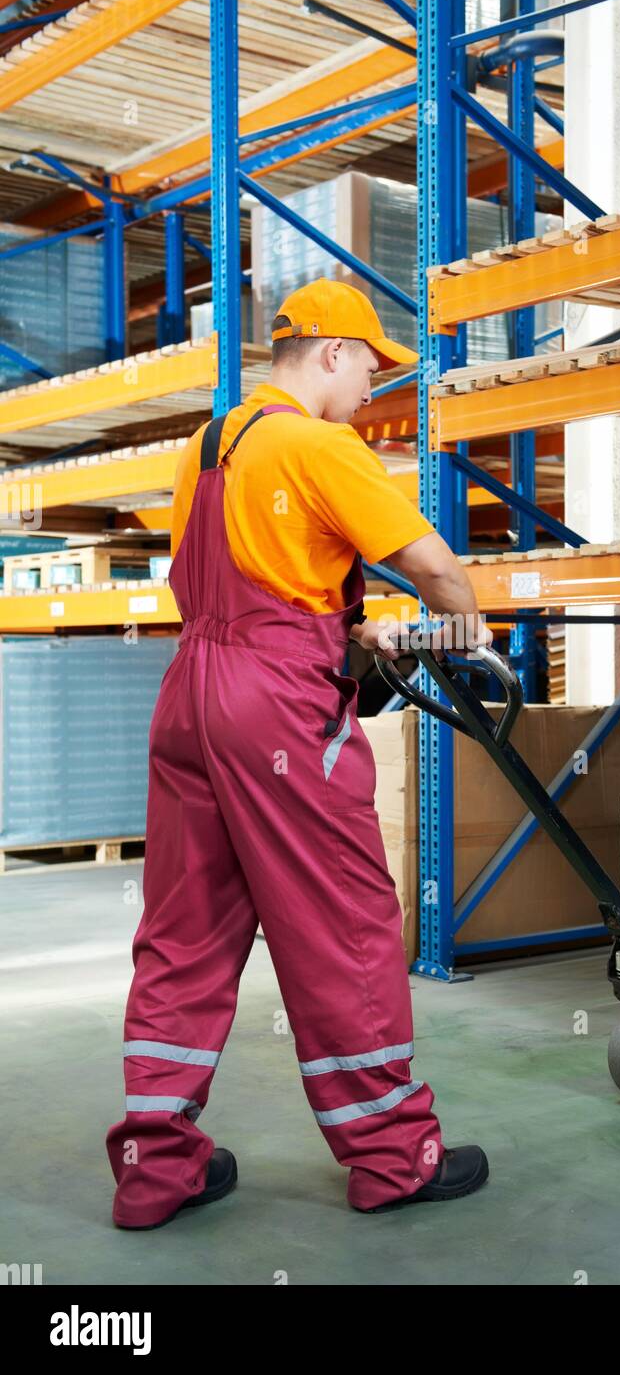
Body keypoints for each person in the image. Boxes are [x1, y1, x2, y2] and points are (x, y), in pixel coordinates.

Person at [105, 277, 493, 1227]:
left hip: (189, 699)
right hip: (275, 710)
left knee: (183, 934)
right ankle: (395, 1155)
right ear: (329, 354)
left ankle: (157, 1168)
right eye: (370, 366)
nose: (374, 387)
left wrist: (337, 633)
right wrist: (467, 634)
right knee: (343, 926)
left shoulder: (207, 446)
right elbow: (434, 566)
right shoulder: (321, 444)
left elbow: (246, 582)